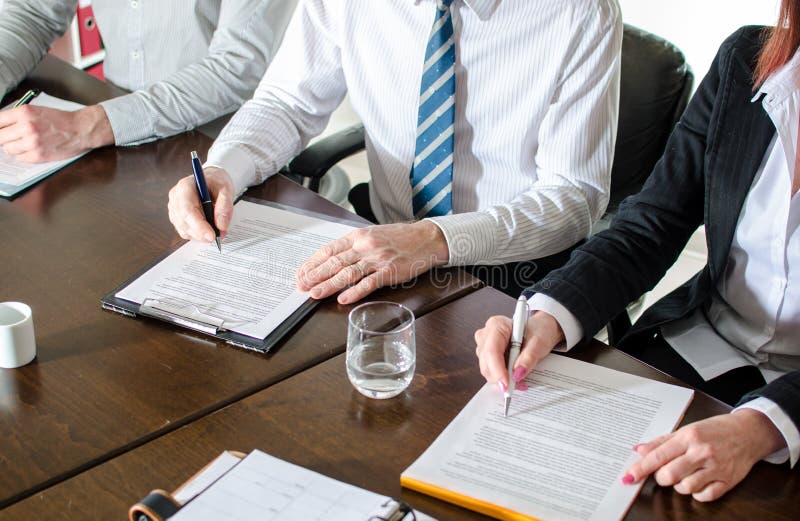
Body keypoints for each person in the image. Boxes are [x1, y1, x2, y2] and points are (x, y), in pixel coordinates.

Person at [474, 7, 800, 503]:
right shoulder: (745, 60)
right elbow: (651, 224)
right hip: (702, 343)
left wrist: (765, 426)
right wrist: (548, 316)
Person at [166, 0, 622, 304]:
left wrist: (433, 240)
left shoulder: (581, 13)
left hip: (509, 268)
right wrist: (224, 170)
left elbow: (574, 194)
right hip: (378, 240)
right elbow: (289, 102)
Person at [0, 0, 296, 162]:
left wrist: (87, 126)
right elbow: (33, 11)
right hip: (114, 136)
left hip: (223, 146)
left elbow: (237, 67)